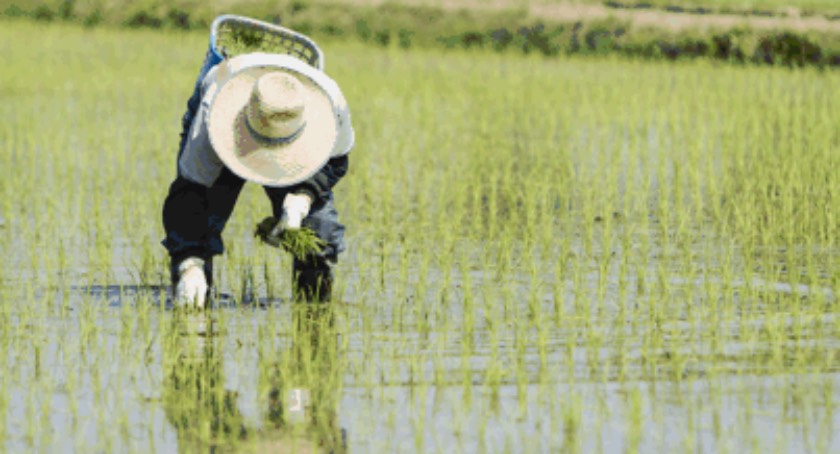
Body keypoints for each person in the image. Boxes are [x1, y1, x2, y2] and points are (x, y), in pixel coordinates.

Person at [161, 29, 354, 309]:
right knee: (199, 229)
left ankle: (314, 315)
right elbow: (190, 194)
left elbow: (337, 160)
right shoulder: (211, 123)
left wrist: (303, 196)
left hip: (291, 131)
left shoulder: (330, 103)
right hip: (233, 131)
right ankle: (194, 299)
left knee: (318, 233)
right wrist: (189, 264)